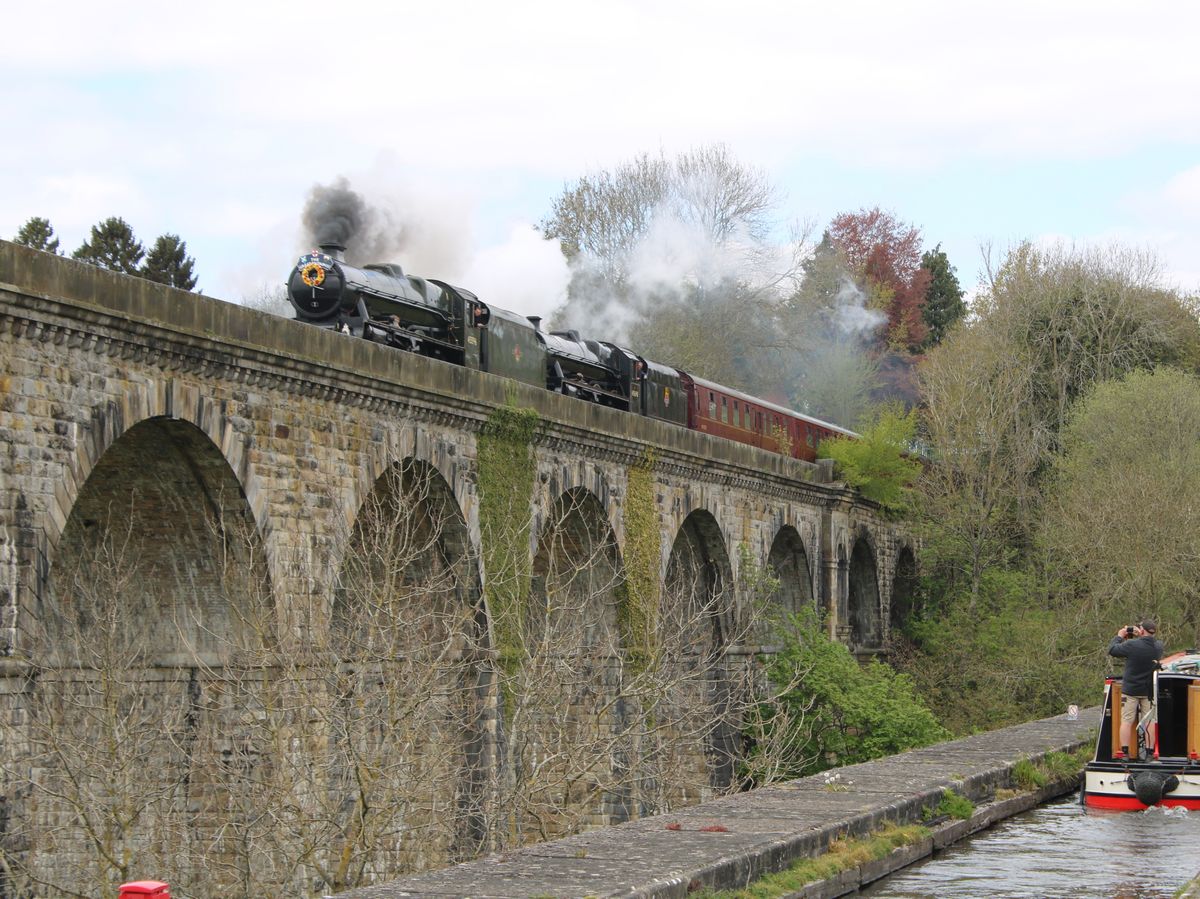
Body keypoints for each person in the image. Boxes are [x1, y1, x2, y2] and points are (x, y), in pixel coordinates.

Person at [1108, 619, 1165, 759]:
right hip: (1148, 691)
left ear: (1142, 630)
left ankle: (1125, 753)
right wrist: (1138, 635)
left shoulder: (1132, 645)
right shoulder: (1158, 647)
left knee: (1127, 721)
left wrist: (1120, 635)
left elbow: (1113, 650)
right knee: (1150, 721)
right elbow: (1145, 646)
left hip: (1131, 690)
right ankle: (1150, 754)